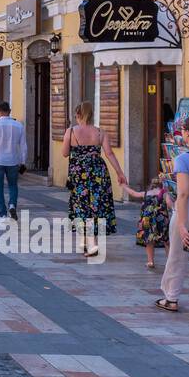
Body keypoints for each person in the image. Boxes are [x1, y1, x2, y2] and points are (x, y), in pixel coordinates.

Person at [61, 101, 125, 257]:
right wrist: (120, 173)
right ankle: (85, 241)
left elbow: (64, 153)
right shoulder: (100, 132)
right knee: (96, 206)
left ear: (78, 115)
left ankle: (92, 245)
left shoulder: (70, 131)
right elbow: (109, 154)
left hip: (78, 174)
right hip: (98, 172)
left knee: (81, 206)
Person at [158, 114, 189, 312]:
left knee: (177, 256)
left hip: (186, 213)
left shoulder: (183, 159)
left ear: (186, 134)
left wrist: (181, 225)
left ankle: (171, 298)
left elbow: (184, 193)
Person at [0, 99, 27, 226]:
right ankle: (12, 204)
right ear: (9, 111)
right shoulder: (18, 126)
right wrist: (23, 161)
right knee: (13, 185)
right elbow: (23, 146)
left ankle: (2, 214)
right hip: (13, 161)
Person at [123, 174, 172, 271]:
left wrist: (124, 186)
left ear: (151, 185)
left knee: (149, 241)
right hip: (162, 220)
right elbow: (170, 205)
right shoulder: (165, 194)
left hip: (147, 220)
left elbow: (133, 193)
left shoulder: (145, 193)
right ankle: (170, 262)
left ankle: (150, 262)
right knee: (167, 241)